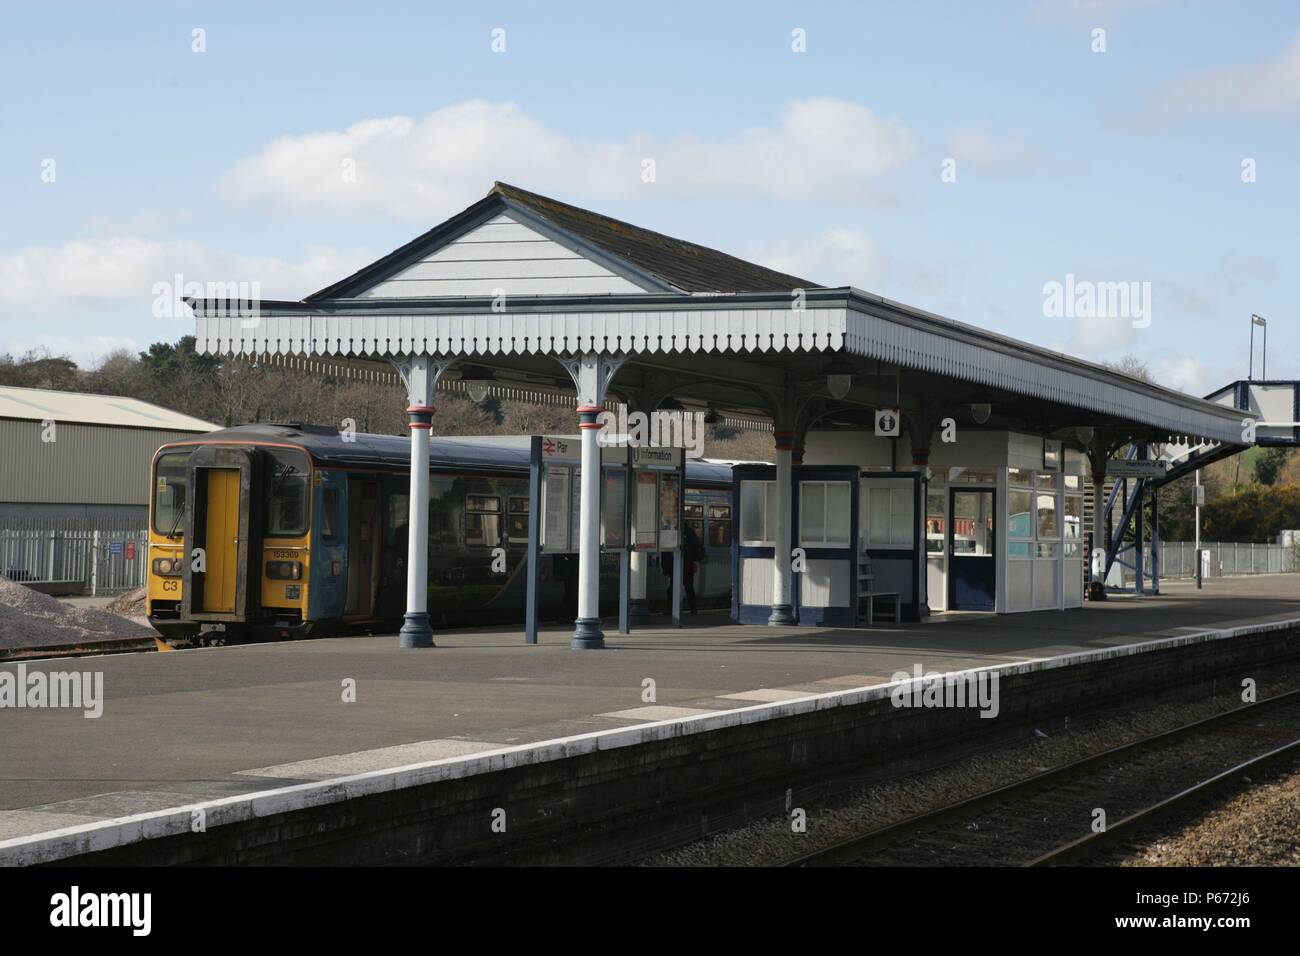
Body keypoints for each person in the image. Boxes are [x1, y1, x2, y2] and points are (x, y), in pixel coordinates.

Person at [660, 524, 705, 614]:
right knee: (688, 587)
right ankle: (693, 608)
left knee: (674, 587)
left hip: (676, 564)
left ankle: (671, 609)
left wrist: (665, 567)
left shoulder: (670, 531)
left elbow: (665, 551)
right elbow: (696, 547)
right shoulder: (688, 531)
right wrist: (696, 560)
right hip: (686, 564)